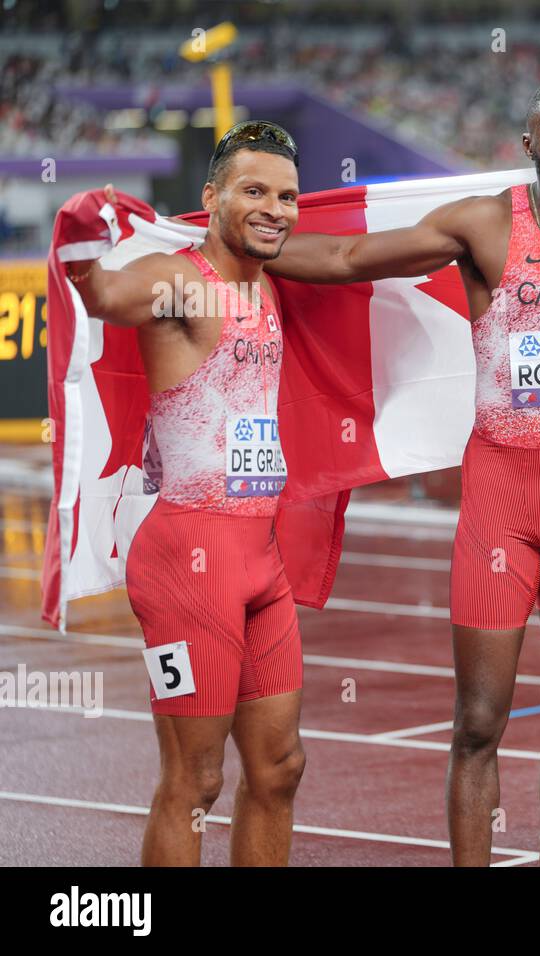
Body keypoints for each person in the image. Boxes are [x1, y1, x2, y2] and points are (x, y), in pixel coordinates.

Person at [266, 78, 540, 865]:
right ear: (529, 148)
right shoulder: (485, 226)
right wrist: (247, 242)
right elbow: (346, 256)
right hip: (501, 499)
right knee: (478, 721)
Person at [61, 121, 307, 865]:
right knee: (194, 781)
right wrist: (79, 244)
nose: (275, 208)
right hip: (185, 563)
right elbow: (103, 293)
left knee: (279, 768)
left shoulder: (266, 284)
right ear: (211, 199)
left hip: (261, 562)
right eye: (255, 191)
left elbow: (357, 255)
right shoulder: (180, 281)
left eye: (288, 196)